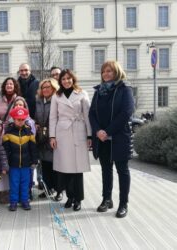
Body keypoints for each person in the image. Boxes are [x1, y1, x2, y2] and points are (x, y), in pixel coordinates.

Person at [89, 60, 134, 218]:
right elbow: (92, 113)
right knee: (106, 170)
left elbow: (126, 113)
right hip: (102, 139)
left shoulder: (124, 89)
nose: (106, 74)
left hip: (119, 137)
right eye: (103, 71)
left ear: (116, 72)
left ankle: (123, 204)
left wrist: (107, 131)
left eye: (109, 71)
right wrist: (97, 131)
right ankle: (107, 199)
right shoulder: (99, 91)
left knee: (122, 171)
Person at [49, 69, 92, 211]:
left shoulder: (82, 93)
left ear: (73, 79)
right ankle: (70, 197)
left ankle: (78, 199)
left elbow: (87, 115)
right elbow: (53, 117)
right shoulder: (57, 95)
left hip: (79, 131)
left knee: (77, 169)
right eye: (63, 79)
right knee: (65, 168)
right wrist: (52, 136)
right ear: (60, 81)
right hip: (62, 133)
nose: (66, 81)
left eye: (69, 78)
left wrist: (89, 135)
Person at [3, 107, 38, 211]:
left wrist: (34, 160)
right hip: (13, 164)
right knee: (14, 184)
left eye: (22, 119)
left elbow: (33, 148)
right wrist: (6, 163)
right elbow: (5, 150)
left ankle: (25, 201)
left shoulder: (29, 131)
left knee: (25, 184)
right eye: (18, 119)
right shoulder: (8, 132)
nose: (20, 121)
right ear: (13, 119)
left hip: (26, 164)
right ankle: (13, 202)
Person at [34, 78, 61, 200]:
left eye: (48, 87)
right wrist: (36, 124)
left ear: (54, 88)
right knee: (45, 165)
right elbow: (36, 116)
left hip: (54, 136)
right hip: (42, 137)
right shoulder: (39, 100)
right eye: (43, 87)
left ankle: (59, 190)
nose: (45, 89)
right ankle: (48, 188)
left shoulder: (58, 100)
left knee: (56, 165)